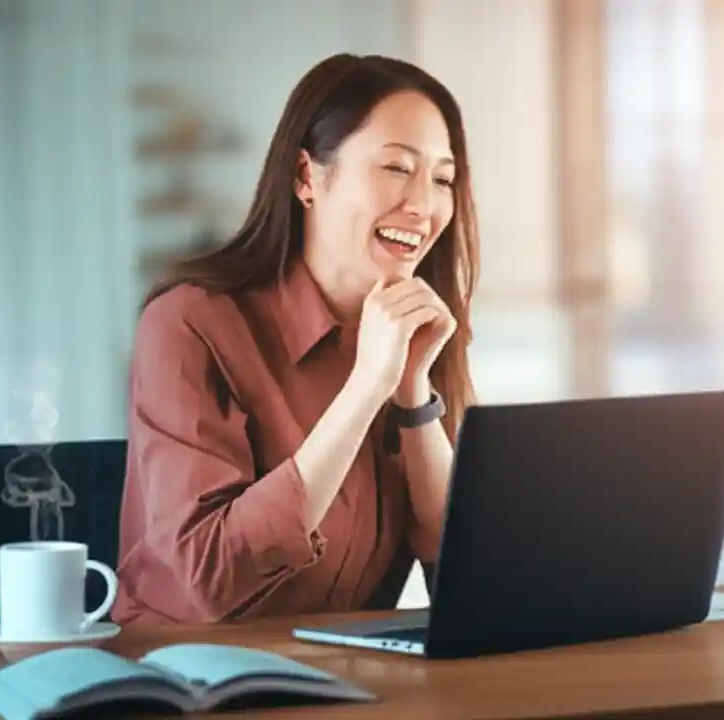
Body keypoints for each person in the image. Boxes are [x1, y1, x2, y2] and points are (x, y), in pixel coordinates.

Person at [112, 54, 479, 624]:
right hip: (187, 680)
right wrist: (365, 389)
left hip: (345, 679)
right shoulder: (188, 323)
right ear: (307, 177)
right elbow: (209, 577)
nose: (423, 205)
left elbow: (461, 569)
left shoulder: (417, 333)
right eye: (396, 168)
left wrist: (411, 393)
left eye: (442, 178)